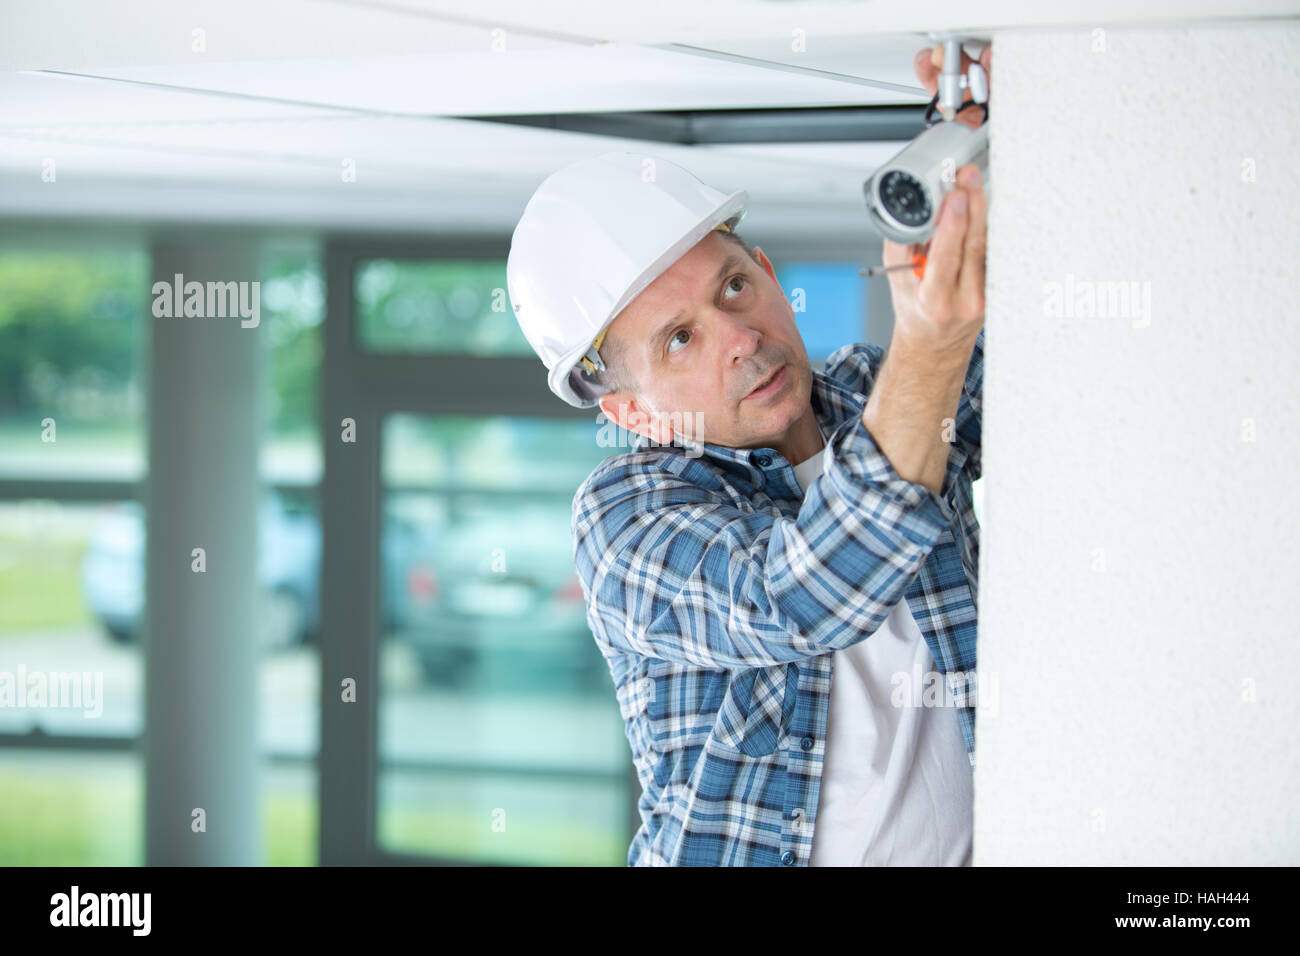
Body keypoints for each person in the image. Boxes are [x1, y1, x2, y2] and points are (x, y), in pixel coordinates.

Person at [506, 44, 991, 866]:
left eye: (733, 287)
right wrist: (932, 348)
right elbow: (801, 597)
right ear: (632, 411)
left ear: (766, 271)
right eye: (681, 339)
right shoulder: (625, 521)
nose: (740, 338)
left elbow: (1050, 357)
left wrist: (988, 134)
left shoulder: (881, 391)